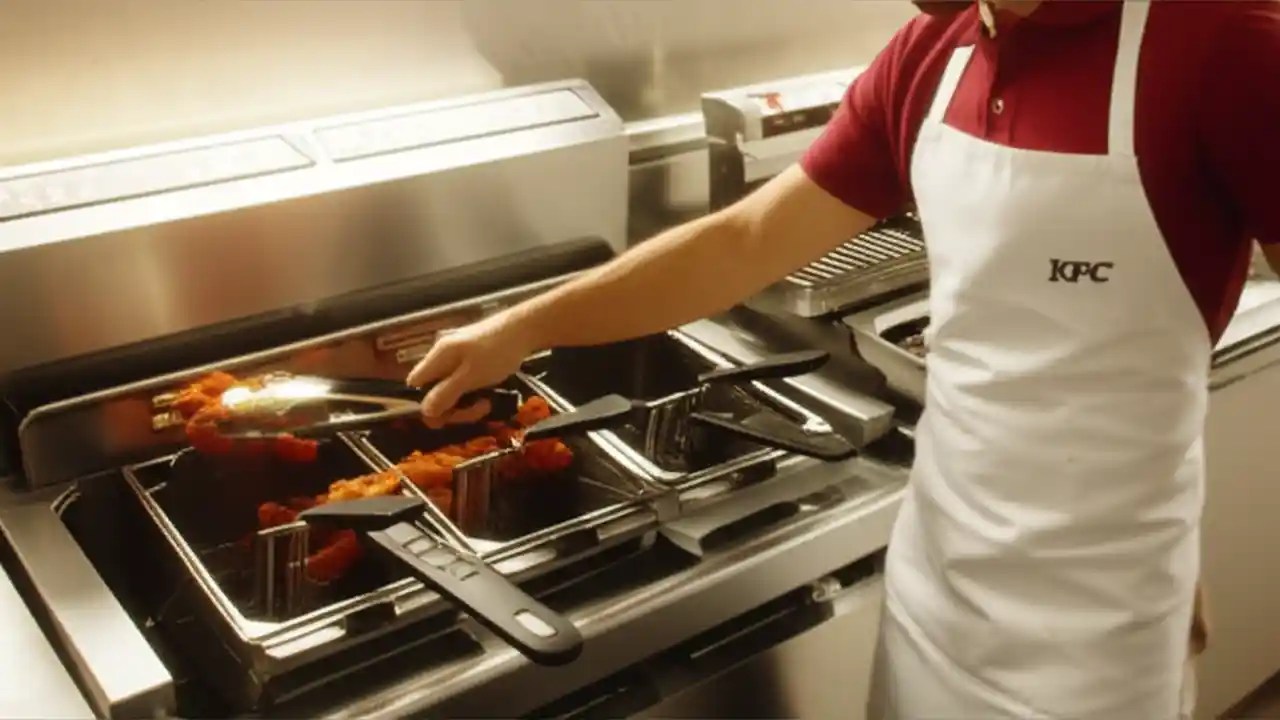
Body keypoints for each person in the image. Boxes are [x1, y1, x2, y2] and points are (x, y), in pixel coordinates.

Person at [408, 0, 1280, 716]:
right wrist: (521, 328)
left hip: (1101, 640)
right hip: (935, 591)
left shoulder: (1223, 42)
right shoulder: (931, 52)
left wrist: (1171, 528)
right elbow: (744, 241)